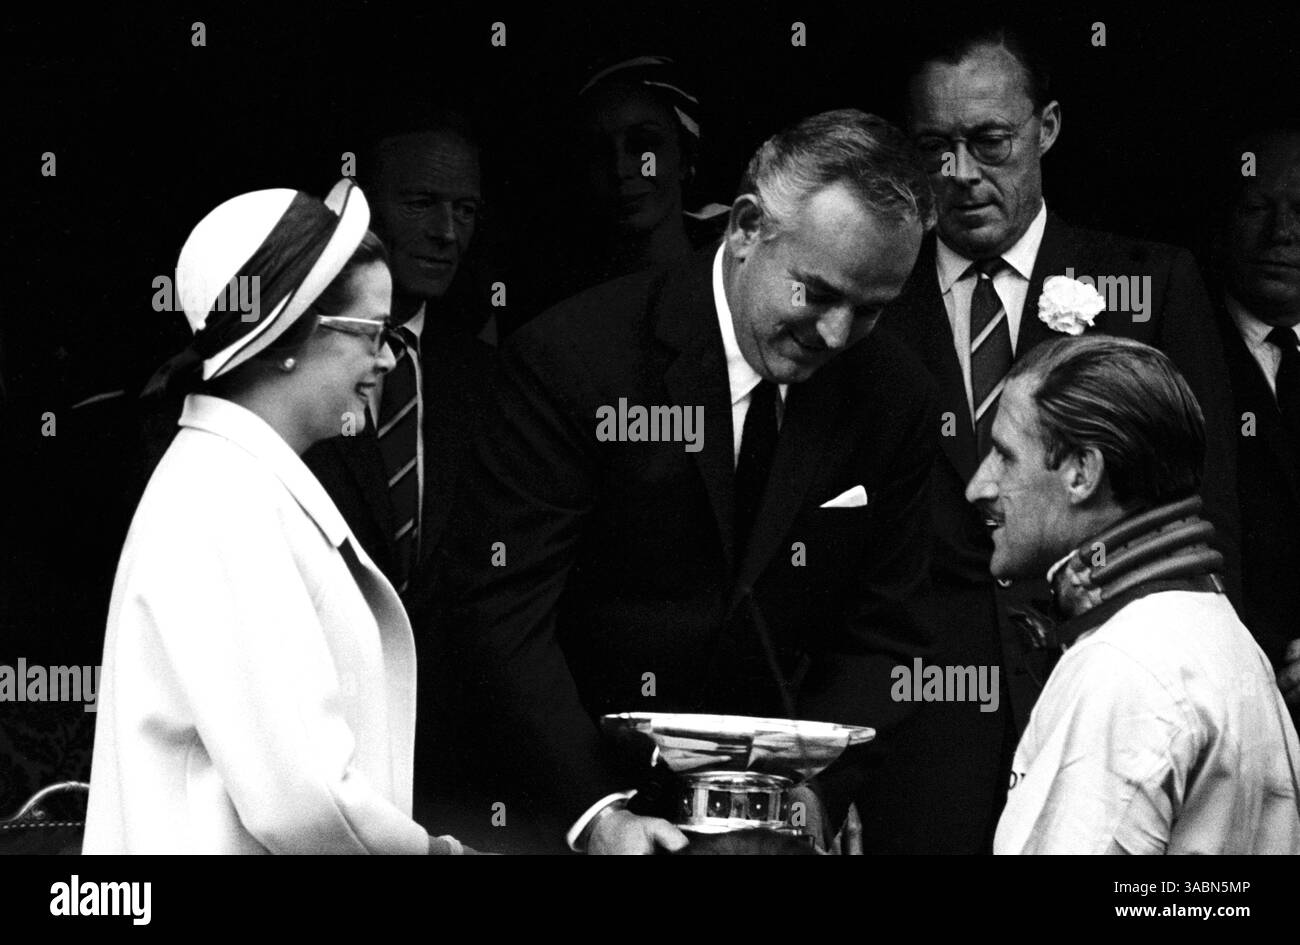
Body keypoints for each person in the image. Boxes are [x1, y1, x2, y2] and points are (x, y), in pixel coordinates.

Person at [433, 109, 938, 853]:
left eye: (870, 310)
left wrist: (810, 796)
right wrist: (594, 811)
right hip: (564, 804)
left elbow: (887, 635)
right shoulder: (573, 360)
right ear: (744, 228)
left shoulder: (895, 395)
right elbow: (499, 609)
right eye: (818, 294)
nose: (836, 333)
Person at [866, 21, 1242, 854]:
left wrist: (1215, 699)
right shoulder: (869, 307)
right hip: (917, 734)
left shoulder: (1150, 284)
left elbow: (1207, 513)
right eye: (933, 147)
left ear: (1049, 126)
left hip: (1121, 705)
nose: (959, 175)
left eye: (989, 141)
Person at [84, 180, 465, 854]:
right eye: (374, 332)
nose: (386, 358)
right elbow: (303, 798)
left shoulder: (236, 477)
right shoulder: (223, 495)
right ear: (291, 336)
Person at [964, 334, 1300, 854]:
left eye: (1005, 454)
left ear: (1081, 473)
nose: (979, 487)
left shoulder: (1122, 667)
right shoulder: (1219, 634)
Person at [1211, 129, 1300, 723]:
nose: (1282, 234)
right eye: (1255, 208)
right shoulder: (1183, 348)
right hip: (1232, 707)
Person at [536, 54, 729, 308]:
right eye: (599, 151)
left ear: (684, 157)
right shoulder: (570, 303)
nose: (619, 169)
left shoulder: (741, 274)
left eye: (643, 144)